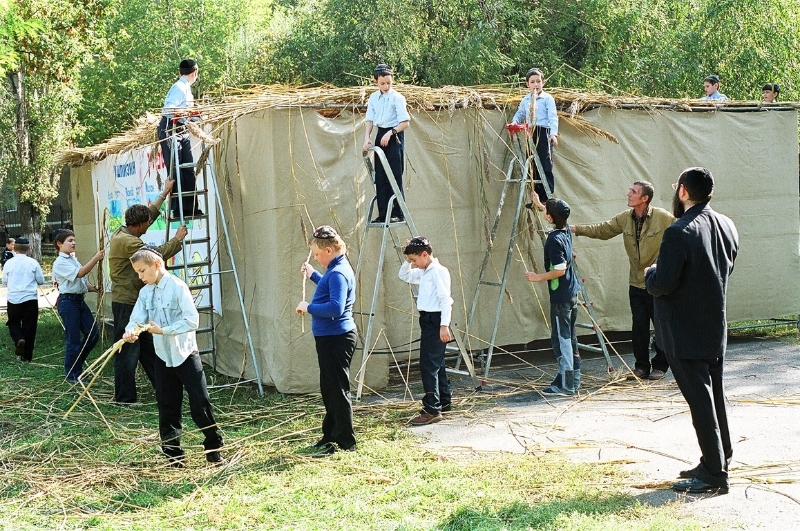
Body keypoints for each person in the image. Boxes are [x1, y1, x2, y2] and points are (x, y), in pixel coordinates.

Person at [645, 167, 738, 494]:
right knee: (714, 398)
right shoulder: (727, 224)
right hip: (714, 326)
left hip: (683, 332)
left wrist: (650, 273)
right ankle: (719, 458)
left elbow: (663, 283)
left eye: (676, 187)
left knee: (701, 402)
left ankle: (715, 474)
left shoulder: (678, 231)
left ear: (683, 191)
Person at [123, 247, 223, 466]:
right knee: (167, 405)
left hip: (185, 353)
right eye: (137, 272)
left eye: (142, 271)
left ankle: (214, 447)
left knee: (201, 402)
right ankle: (172, 455)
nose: (140, 277)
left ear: (157, 265)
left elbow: (192, 320)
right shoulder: (145, 293)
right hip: (162, 356)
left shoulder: (178, 287)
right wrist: (130, 331)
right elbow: (137, 318)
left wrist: (164, 330)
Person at [571, 181, 675, 380]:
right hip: (636, 283)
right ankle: (641, 367)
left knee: (661, 326)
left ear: (645, 198)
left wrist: (665, 262)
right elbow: (603, 230)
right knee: (639, 327)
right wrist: (575, 229)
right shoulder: (625, 218)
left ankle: (661, 366)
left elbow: (681, 233)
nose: (628, 194)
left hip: (656, 282)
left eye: (633, 192)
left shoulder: (663, 217)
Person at [109, 197, 188, 403]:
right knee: (127, 349)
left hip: (133, 300)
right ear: (140, 225)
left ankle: (164, 388)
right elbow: (154, 255)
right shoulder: (129, 242)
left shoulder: (124, 232)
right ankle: (124, 397)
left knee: (148, 350)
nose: (149, 224)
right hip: (126, 302)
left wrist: (164, 193)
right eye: (147, 223)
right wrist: (177, 239)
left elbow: (148, 216)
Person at [296, 226, 358, 455]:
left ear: (329, 250)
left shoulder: (339, 272)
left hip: (336, 338)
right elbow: (330, 287)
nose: (315, 257)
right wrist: (313, 274)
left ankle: (345, 441)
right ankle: (330, 435)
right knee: (329, 389)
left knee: (337, 390)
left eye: (317, 254)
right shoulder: (335, 269)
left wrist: (308, 307)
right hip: (330, 338)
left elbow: (335, 307)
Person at [524, 198, 579, 396]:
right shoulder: (565, 231)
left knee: (561, 340)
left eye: (545, 211)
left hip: (561, 298)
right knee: (570, 338)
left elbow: (560, 269)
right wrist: (540, 205)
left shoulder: (554, 240)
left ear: (550, 217)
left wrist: (537, 277)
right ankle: (574, 380)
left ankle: (566, 385)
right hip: (571, 293)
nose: (543, 212)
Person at [399, 236, 454, 426]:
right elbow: (404, 275)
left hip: (436, 319)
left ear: (424, 254)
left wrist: (444, 325)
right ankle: (443, 401)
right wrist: (408, 260)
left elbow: (445, 300)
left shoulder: (438, 271)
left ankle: (432, 408)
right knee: (437, 363)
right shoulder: (423, 271)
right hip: (427, 319)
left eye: (414, 259)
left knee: (428, 365)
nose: (413, 263)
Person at [52, 230, 104, 383]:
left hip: (79, 301)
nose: (73, 243)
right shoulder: (60, 262)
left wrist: (93, 288)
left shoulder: (72, 259)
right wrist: (95, 259)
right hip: (68, 303)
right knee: (73, 340)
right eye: (70, 240)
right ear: (59, 244)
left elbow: (80, 283)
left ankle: (76, 364)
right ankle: (72, 374)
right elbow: (80, 274)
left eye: (74, 240)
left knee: (93, 334)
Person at [362, 64, 411, 224]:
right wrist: (367, 138)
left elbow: (405, 122)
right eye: (382, 83)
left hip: (395, 135)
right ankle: (383, 214)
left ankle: (398, 213)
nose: (386, 86)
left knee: (394, 175)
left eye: (389, 83)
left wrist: (391, 133)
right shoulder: (373, 98)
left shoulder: (397, 98)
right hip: (380, 134)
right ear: (375, 81)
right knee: (381, 176)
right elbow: (370, 119)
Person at [158, 58, 203, 219]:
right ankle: (179, 209)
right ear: (195, 72)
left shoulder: (186, 89)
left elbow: (187, 114)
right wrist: (187, 114)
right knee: (176, 169)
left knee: (188, 168)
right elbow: (169, 110)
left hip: (181, 129)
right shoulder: (179, 87)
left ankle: (191, 207)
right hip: (170, 128)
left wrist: (197, 116)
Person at [511, 67, 559, 205]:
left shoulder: (547, 99)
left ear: (543, 82)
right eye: (532, 82)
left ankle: (546, 197)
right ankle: (535, 198)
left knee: (544, 163)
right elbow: (520, 113)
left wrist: (553, 134)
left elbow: (553, 117)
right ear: (527, 84)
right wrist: (514, 122)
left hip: (543, 133)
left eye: (538, 81)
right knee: (532, 165)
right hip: (530, 132)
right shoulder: (526, 100)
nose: (535, 84)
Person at [2, 238, 48, 362]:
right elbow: (41, 280)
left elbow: (5, 281)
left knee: (13, 322)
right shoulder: (33, 262)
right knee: (30, 326)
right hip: (30, 298)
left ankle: (18, 339)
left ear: (14, 248)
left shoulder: (9, 263)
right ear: (29, 248)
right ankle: (26, 356)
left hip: (14, 299)